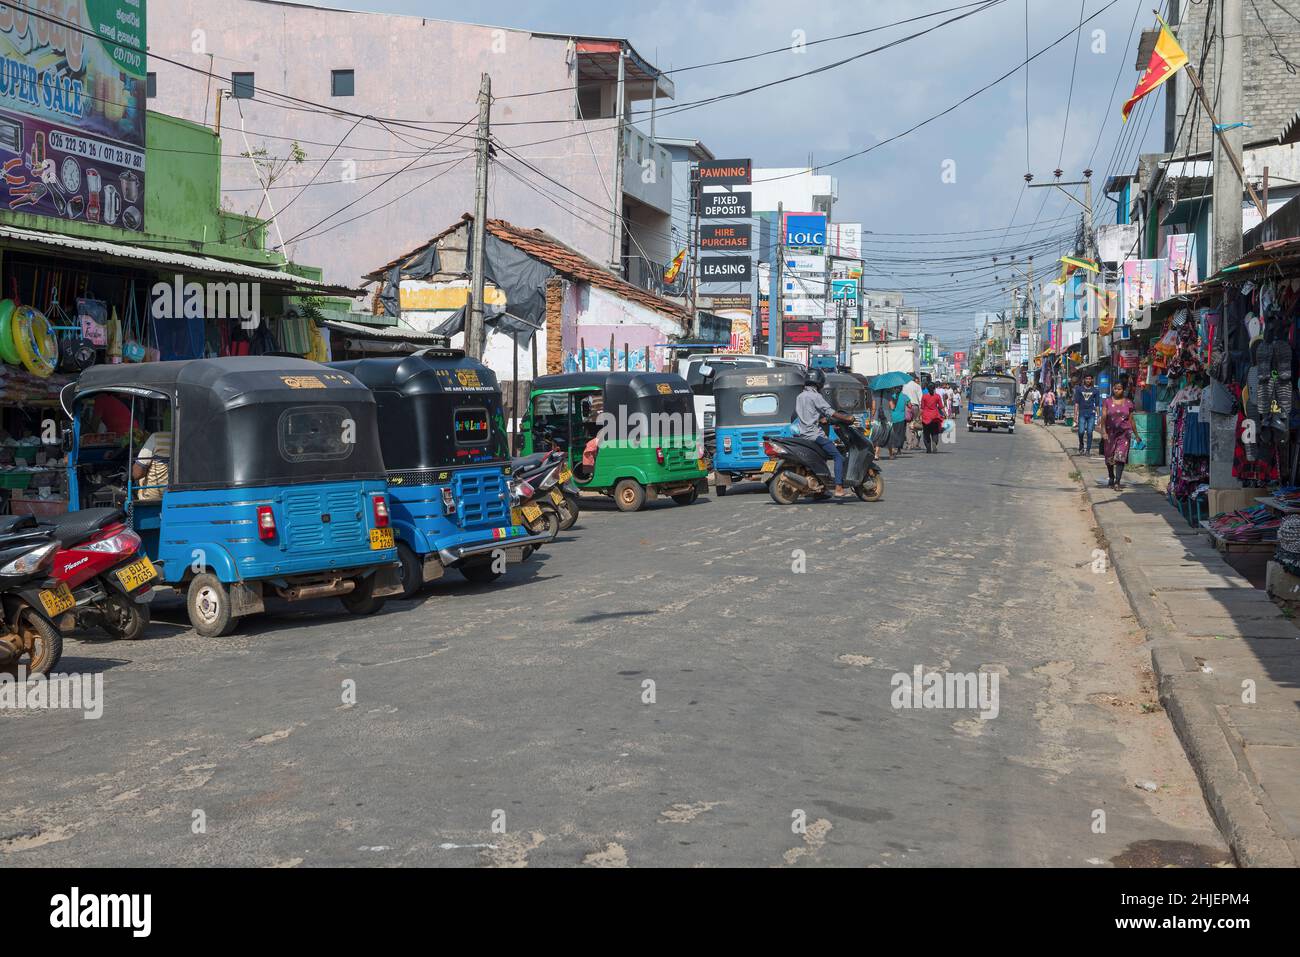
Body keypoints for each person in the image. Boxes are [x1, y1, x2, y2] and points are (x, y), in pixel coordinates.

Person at [796, 369, 855, 496]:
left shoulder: (800, 396)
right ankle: (839, 488)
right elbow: (830, 412)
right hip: (815, 435)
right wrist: (847, 418)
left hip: (803, 434)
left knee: (821, 458)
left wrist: (820, 419)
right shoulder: (816, 396)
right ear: (819, 382)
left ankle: (821, 490)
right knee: (838, 456)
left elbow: (807, 414)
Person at [1100, 381, 1136, 490]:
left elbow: (1131, 419)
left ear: (1123, 390)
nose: (1117, 390)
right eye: (1115, 388)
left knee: (1120, 457)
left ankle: (1117, 481)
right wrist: (1103, 432)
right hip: (1110, 433)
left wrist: (1136, 435)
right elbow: (1104, 417)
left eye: (1119, 389)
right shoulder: (1107, 401)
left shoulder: (1129, 403)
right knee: (1109, 456)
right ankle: (1111, 476)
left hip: (1124, 433)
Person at [1073, 374, 1101, 455]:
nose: (1088, 380)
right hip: (1082, 413)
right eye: (1087, 379)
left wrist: (1099, 416)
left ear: (1092, 380)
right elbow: (1076, 403)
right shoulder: (1079, 389)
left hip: (1091, 413)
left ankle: (1088, 449)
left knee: (1089, 431)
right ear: (1084, 380)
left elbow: (1097, 405)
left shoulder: (1095, 390)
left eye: (1090, 379)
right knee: (1081, 431)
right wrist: (1075, 415)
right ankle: (1081, 444)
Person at [920, 383, 946, 453]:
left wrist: (919, 417)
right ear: (934, 388)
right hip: (935, 417)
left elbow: (922, 408)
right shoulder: (937, 396)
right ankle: (934, 442)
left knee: (926, 433)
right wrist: (945, 414)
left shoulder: (924, 397)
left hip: (926, 417)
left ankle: (928, 447)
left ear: (927, 389)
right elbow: (941, 407)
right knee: (935, 432)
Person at [887, 386, 911, 459]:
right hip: (901, 418)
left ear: (895, 389)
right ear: (902, 389)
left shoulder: (891, 396)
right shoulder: (904, 396)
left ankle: (893, 447)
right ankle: (899, 449)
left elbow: (889, 406)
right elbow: (910, 405)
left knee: (893, 433)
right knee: (901, 434)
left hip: (892, 417)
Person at [902, 374, 924, 450]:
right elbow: (921, 399)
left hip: (907, 407)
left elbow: (903, 397)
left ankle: (909, 444)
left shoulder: (904, 386)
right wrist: (921, 410)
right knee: (917, 423)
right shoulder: (917, 386)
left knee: (908, 425)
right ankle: (916, 443)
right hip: (915, 406)